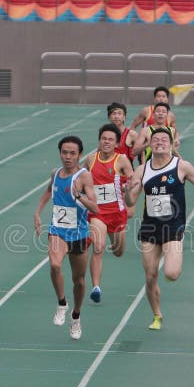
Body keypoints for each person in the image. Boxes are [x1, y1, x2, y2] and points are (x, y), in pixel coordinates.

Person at [124, 126, 194, 331]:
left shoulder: (182, 166)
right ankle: (157, 315)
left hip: (173, 227)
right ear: (150, 145)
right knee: (151, 275)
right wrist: (128, 191)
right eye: (156, 140)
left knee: (171, 273)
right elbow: (130, 201)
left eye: (164, 139)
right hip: (150, 227)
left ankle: (173, 254)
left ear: (171, 144)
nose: (159, 142)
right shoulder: (142, 170)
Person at [34, 136, 99, 340]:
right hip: (58, 230)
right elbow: (48, 191)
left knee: (79, 281)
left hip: (78, 233)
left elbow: (95, 207)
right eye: (64, 152)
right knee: (54, 265)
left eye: (72, 153)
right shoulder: (55, 173)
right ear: (60, 153)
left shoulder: (84, 177)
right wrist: (38, 212)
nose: (68, 156)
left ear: (79, 155)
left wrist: (78, 196)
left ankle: (76, 316)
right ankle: (62, 303)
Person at [82, 123, 134, 303]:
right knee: (98, 247)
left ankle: (114, 242)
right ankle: (96, 287)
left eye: (110, 139)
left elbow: (133, 180)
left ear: (117, 143)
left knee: (119, 251)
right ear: (99, 141)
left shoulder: (121, 160)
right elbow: (81, 176)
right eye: (104, 138)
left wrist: (129, 189)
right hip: (97, 213)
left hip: (117, 213)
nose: (106, 142)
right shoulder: (90, 159)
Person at [108, 102, 137, 166]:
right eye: (114, 113)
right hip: (109, 171)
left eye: (119, 113)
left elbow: (141, 153)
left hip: (125, 172)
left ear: (124, 117)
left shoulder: (131, 134)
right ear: (109, 117)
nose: (116, 116)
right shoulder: (105, 134)